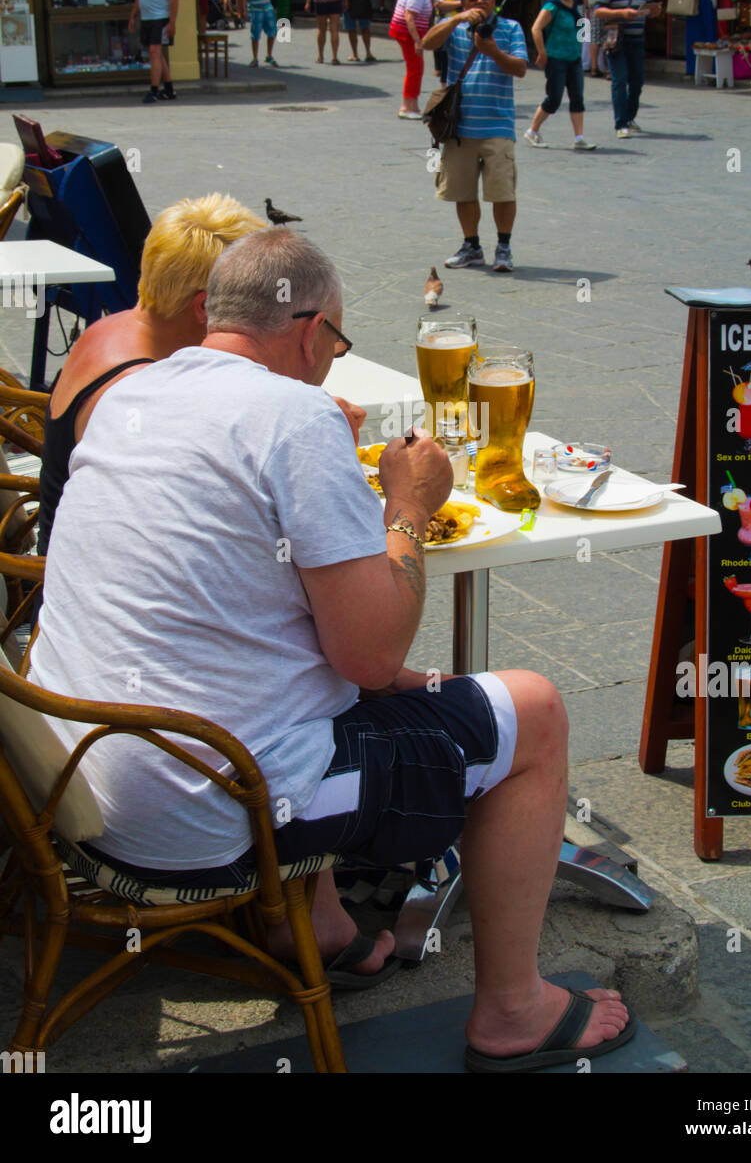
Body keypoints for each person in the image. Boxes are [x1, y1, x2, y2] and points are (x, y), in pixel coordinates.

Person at [29, 226, 633, 1070]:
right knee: (533, 713)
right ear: (313, 332)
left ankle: (316, 922)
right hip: (191, 807)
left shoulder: (131, 391)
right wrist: (409, 508)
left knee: (393, 690)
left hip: (62, 779)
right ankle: (513, 1011)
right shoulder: (294, 413)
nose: (332, 363)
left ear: (212, 312)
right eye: (337, 344)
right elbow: (372, 658)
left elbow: (241, 607)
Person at [37, 195, 265, 555]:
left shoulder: (112, 328)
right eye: (255, 304)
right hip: (82, 592)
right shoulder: (139, 392)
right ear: (204, 306)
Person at [422, 0, 528, 272]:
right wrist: (456, 19)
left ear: (495, 1)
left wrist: (492, 51)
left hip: (498, 125)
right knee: (462, 192)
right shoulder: (454, 29)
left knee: (502, 192)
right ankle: (472, 246)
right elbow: (427, 43)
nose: (480, 2)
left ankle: (504, 247)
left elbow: (520, 68)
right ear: (463, 1)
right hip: (460, 127)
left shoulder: (510, 28)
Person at [594, 0, 662, 140]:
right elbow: (598, 10)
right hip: (615, 38)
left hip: (636, 37)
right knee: (619, 80)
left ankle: (630, 117)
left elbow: (647, 4)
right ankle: (620, 123)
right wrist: (622, 13)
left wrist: (653, 11)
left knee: (638, 81)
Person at [525, 0, 596, 152]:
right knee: (554, 98)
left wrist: (585, 45)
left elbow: (582, 31)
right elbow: (536, 28)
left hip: (574, 58)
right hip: (556, 58)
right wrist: (542, 52)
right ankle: (533, 131)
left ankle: (579, 137)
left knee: (577, 97)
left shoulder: (576, 4)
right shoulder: (553, 5)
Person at [128, 0, 178, 105]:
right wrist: (133, 15)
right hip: (147, 18)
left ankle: (154, 90)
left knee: (155, 52)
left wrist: (172, 22)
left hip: (160, 18)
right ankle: (169, 88)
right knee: (156, 53)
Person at [389, 0, 436, 119]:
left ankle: (411, 105)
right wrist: (417, 40)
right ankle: (408, 106)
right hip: (407, 34)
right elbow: (409, 17)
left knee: (416, 67)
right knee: (415, 68)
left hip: (409, 33)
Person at [430, 0, 466, 83]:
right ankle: (445, 92)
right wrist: (462, 3)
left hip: (464, 25)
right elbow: (439, 4)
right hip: (445, 25)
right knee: (446, 62)